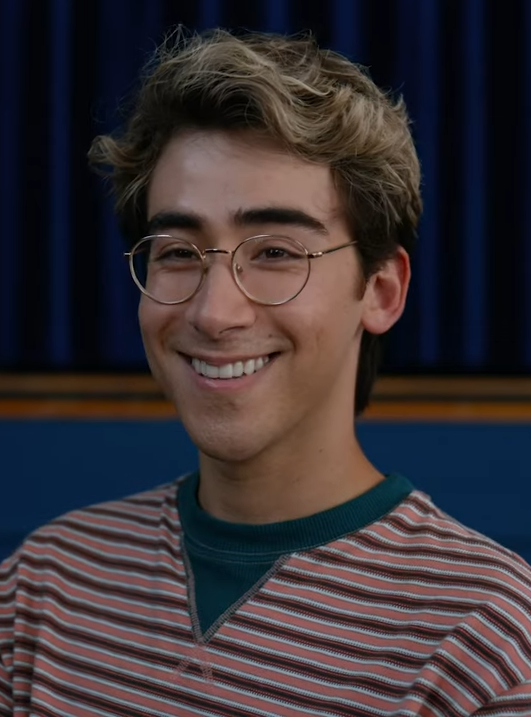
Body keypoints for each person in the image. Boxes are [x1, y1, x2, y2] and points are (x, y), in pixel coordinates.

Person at [1, 27, 531, 717]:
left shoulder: (488, 640)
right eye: (177, 252)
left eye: (277, 252)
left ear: (381, 291)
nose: (214, 312)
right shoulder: (42, 586)